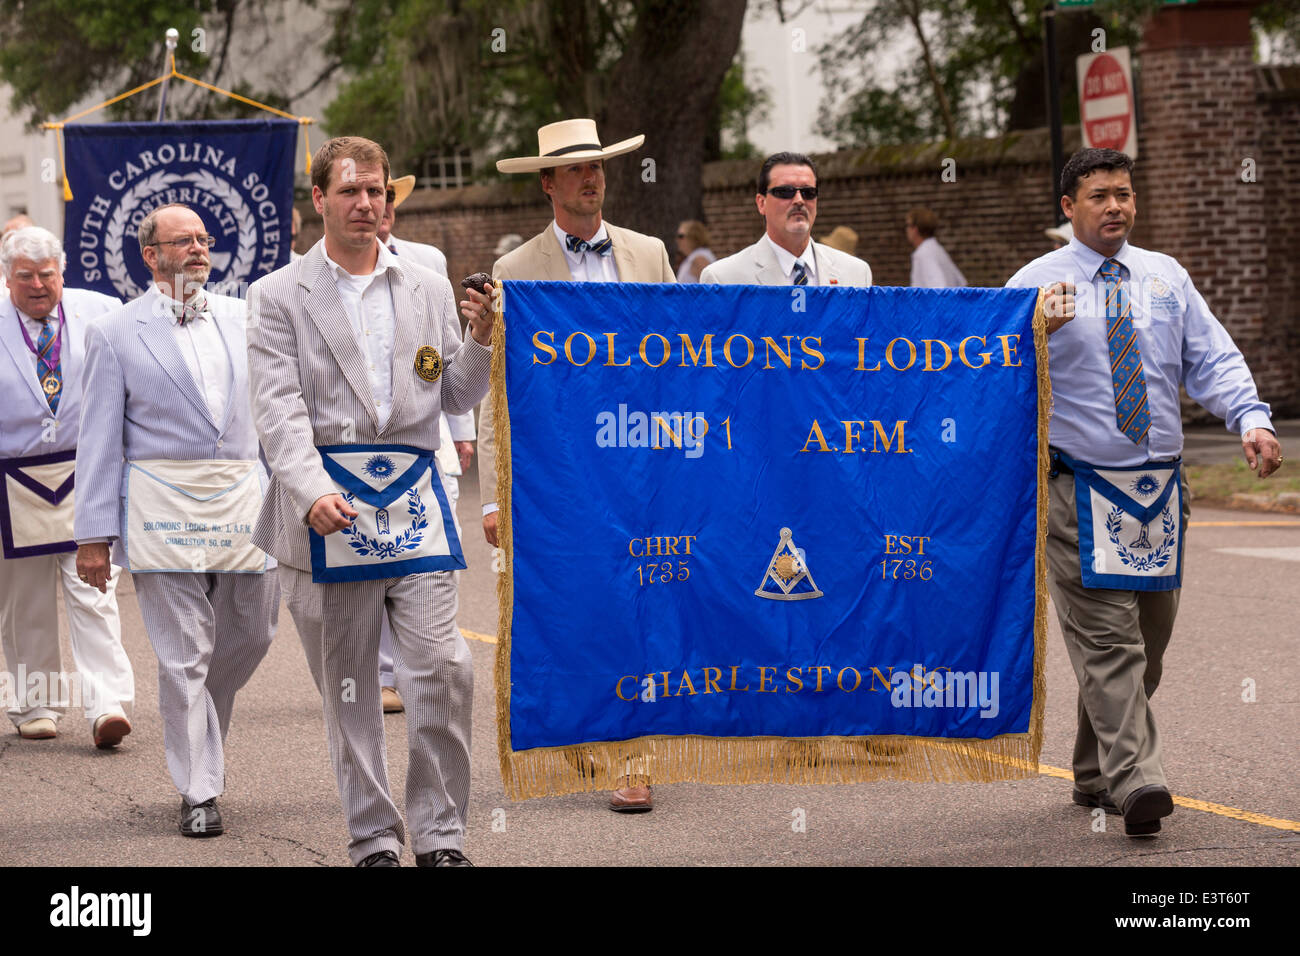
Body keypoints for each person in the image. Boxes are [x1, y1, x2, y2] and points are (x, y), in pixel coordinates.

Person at [1007, 147, 1283, 838]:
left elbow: (1211, 356)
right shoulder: (1035, 285)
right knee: (1110, 646)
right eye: (1099, 196)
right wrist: (1032, 331)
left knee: (1146, 647)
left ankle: (1094, 768)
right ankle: (1137, 784)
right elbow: (985, 369)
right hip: (1077, 491)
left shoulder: (1166, 277)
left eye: (1124, 194)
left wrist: (1251, 419)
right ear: (1068, 208)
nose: (1116, 207)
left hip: (1160, 493)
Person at [247, 136, 494, 867]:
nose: (366, 204)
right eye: (350, 191)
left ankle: (442, 836)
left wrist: (480, 339)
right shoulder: (278, 295)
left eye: (377, 191)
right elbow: (279, 411)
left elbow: (453, 392)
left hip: (415, 507)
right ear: (318, 198)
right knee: (350, 689)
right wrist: (313, 489)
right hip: (325, 514)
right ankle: (373, 839)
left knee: (442, 669)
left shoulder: (422, 280)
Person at [469, 117, 674, 814]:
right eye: (576, 169)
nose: (592, 178)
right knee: (583, 606)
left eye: (599, 167)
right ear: (548, 183)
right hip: (558, 473)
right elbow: (498, 394)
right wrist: (495, 496)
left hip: (643, 462)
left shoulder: (649, 255)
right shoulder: (515, 271)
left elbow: (680, 365)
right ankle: (589, 728)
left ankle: (635, 758)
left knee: (642, 601)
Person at [74, 203, 277, 838]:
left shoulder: (247, 317)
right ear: (150, 256)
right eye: (181, 241)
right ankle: (199, 790)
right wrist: (92, 535)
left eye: (202, 239)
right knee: (184, 651)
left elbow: (275, 414)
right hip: (163, 519)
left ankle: (198, 727)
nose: (196, 249)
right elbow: (100, 439)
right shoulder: (115, 332)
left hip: (246, 508)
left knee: (251, 636)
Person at [0, 227, 135, 746]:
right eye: (26, 277)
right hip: (13, 479)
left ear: (62, 272)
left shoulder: (100, 309)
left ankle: (107, 705)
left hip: (86, 469)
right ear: (9, 279)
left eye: (47, 274)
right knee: (25, 600)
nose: (38, 285)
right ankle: (37, 703)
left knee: (95, 590)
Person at [373, 173, 476, 716]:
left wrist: (460, 430)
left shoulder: (427, 263)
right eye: (370, 196)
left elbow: (443, 351)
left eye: (388, 198)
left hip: (429, 436)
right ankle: (389, 673)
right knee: (386, 556)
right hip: (369, 450)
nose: (380, 207)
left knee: (439, 551)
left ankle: (430, 661)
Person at [700, 152, 871, 286]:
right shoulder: (722, 279)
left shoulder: (856, 273)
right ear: (761, 203)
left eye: (808, 192)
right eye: (785, 192)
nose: (799, 200)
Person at [905, 207, 965, 288]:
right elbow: (961, 282)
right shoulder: (937, 250)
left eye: (908, 225)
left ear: (915, 229)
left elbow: (939, 288)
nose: (906, 229)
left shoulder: (923, 254)